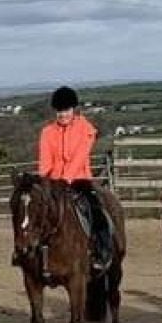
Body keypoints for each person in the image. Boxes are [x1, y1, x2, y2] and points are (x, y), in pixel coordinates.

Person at [38, 86, 113, 270]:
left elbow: (80, 156)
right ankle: (29, 253)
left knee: (96, 211)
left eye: (66, 110)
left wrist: (67, 179)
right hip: (54, 183)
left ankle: (102, 251)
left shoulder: (86, 129)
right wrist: (42, 180)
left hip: (79, 180)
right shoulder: (47, 132)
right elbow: (45, 159)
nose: (63, 114)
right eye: (59, 111)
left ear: (73, 110)